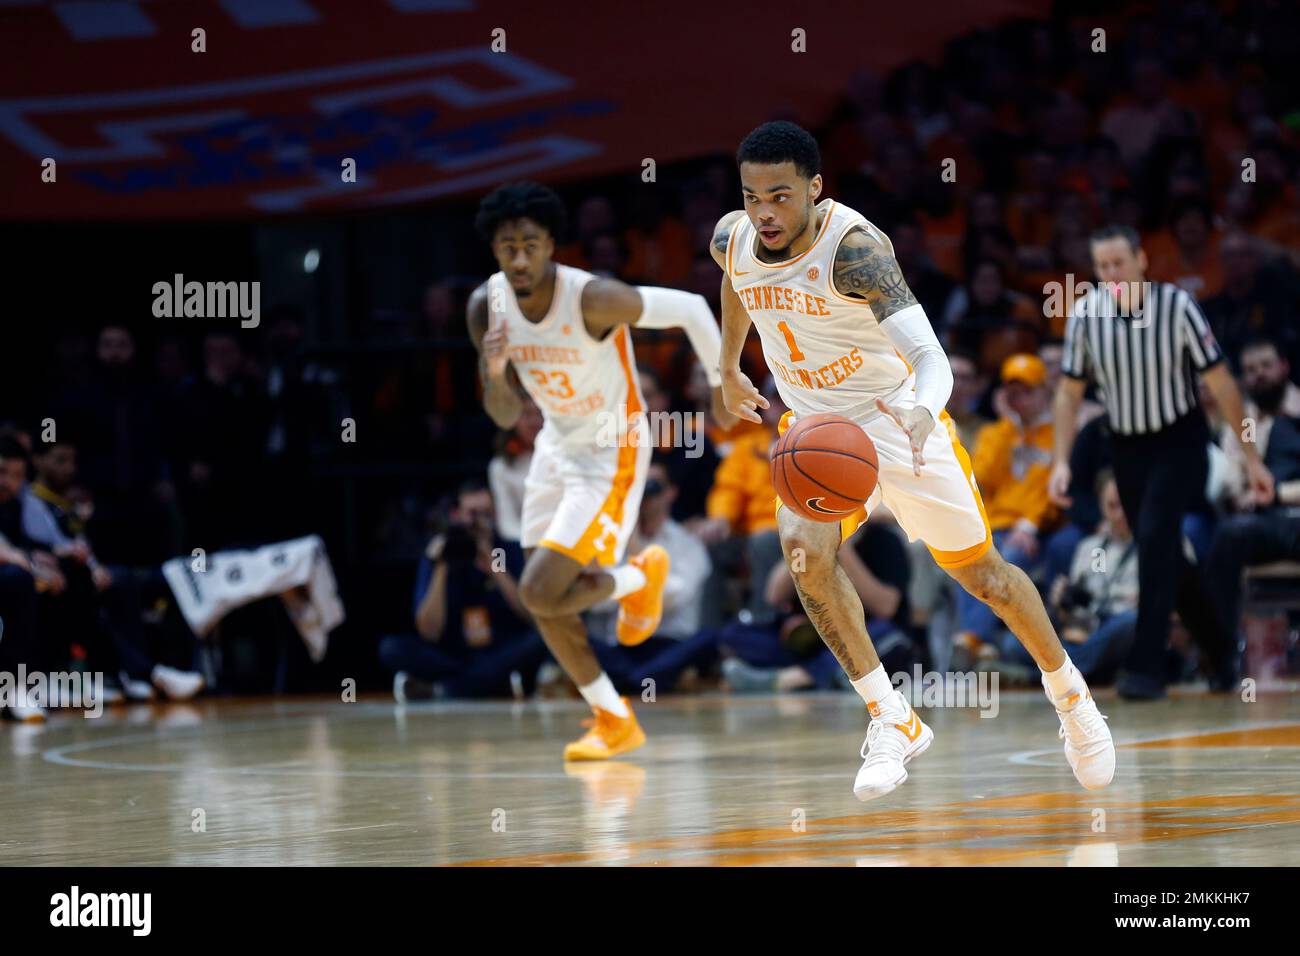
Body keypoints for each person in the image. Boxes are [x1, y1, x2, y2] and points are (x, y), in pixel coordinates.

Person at [712, 121, 1113, 801]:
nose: (765, 213)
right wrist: (726, 364)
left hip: (897, 418)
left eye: (780, 196)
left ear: (815, 188)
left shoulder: (856, 250)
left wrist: (924, 410)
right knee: (805, 554)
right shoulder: (733, 238)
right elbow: (737, 284)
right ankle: (891, 717)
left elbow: (930, 357)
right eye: (752, 196)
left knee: (985, 577)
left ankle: (1071, 696)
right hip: (817, 434)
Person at [466, 181, 735, 761]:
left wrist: (720, 382)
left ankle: (640, 579)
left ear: (551, 245)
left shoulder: (591, 299)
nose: (518, 258)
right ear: (493, 249)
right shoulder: (485, 307)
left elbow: (690, 308)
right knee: (546, 602)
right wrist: (492, 371)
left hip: (611, 451)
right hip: (554, 448)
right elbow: (506, 413)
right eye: (507, 246)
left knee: (540, 590)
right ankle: (613, 718)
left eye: (529, 245)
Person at [1050, 224, 1274, 699]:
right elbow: (1068, 394)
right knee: (1165, 550)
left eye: (1120, 263)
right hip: (1127, 448)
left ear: (1142, 261)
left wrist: (1252, 459)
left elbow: (1221, 382)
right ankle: (1220, 651)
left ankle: (1146, 667)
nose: (1112, 273)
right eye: (1103, 266)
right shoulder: (1086, 315)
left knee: (1153, 535)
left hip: (1181, 440)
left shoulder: (1177, 306)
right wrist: (1061, 461)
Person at [378, 480, 551, 701]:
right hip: (453, 652)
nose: (480, 521)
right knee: (391, 648)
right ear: (456, 515)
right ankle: (488, 685)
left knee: (541, 637)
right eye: (472, 513)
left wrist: (495, 569)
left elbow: (529, 616)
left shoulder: (507, 549)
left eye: (486, 513)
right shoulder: (440, 553)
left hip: (498, 649)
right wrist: (441, 566)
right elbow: (429, 630)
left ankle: (444, 690)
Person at [951, 353, 1060, 669]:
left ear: (1045, 391)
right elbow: (981, 477)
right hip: (994, 525)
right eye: (1013, 392)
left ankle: (970, 638)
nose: (1021, 399)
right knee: (965, 558)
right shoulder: (995, 434)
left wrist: (1032, 524)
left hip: (1033, 529)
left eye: (1028, 391)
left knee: (1006, 556)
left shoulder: (1058, 435)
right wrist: (1009, 428)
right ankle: (983, 646)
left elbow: (1053, 490)